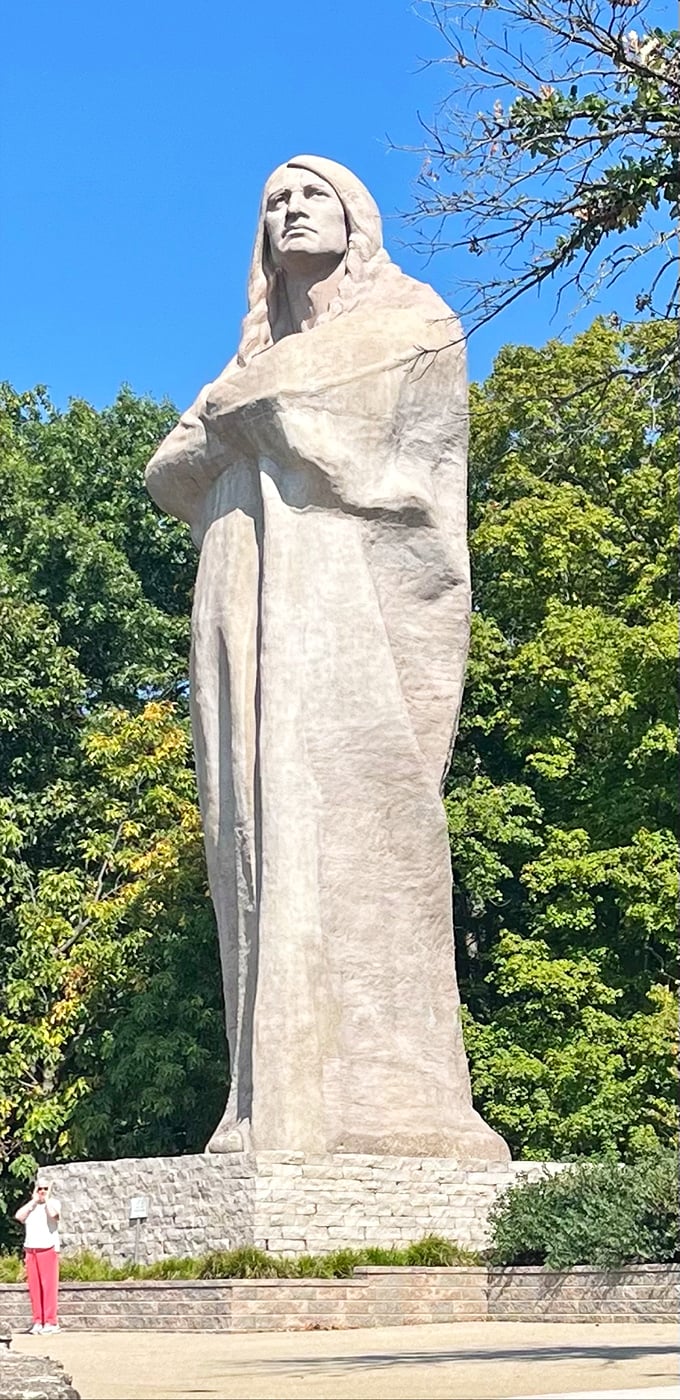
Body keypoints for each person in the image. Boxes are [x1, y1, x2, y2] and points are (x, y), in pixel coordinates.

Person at [145, 156, 509, 1165]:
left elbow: (400, 458)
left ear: (357, 219)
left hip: (343, 603)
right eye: (274, 201)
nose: (292, 209)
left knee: (349, 817)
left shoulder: (412, 320)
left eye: (312, 195)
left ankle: (394, 1104)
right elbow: (167, 470)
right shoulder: (252, 356)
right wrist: (255, 417)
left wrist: (263, 420)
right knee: (252, 835)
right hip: (242, 593)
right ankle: (269, 1100)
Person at [15, 1175, 61, 1334]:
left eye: (45, 1188)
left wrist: (46, 1199)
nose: (42, 1191)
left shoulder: (54, 1203)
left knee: (48, 1287)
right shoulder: (31, 1206)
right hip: (31, 1249)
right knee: (34, 1289)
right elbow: (19, 1216)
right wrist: (34, 1201)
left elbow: (54, 1215)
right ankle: (38, 1321)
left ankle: (51, 1322)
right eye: (39, 1188)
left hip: (48, 1248)